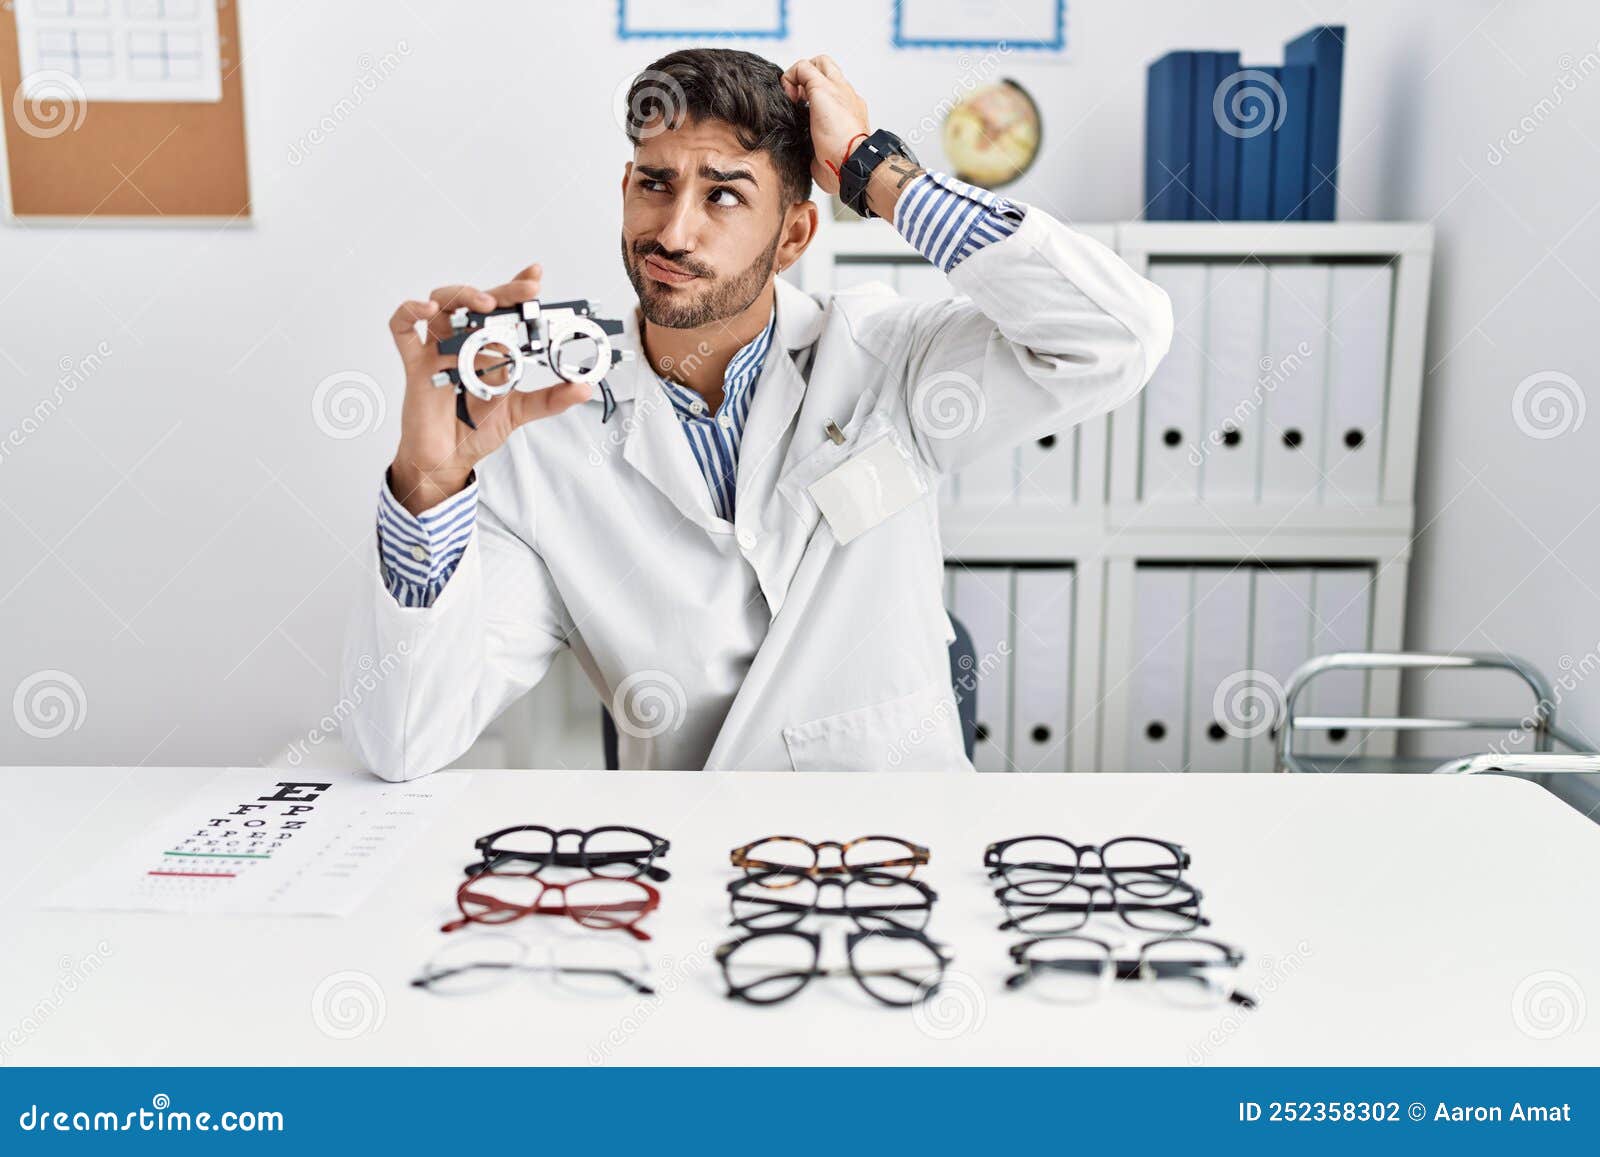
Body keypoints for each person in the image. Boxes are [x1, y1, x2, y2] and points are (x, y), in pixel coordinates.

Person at [341, 48, 1172, 780]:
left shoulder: (888, 357)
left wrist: (872, 168)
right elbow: (406, 736)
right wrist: (430, 479)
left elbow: (1117, 335)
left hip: (903, 841)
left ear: (795, 235)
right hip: (693, 872)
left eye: (725, 196)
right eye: (654, 185)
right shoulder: (539, 434)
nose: (673, 231)